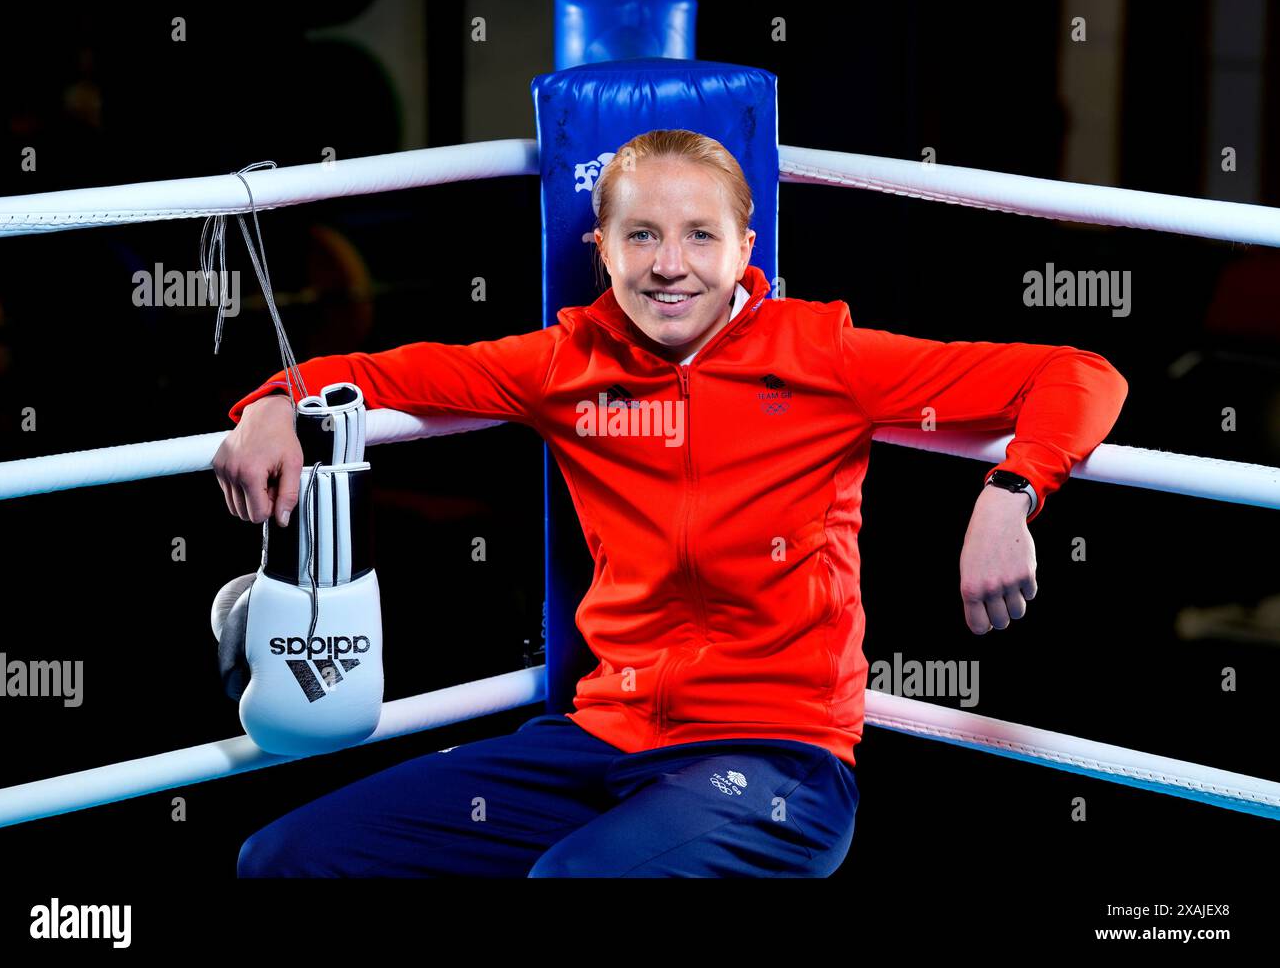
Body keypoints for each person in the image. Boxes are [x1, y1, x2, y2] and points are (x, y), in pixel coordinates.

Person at [215, 129, 1128, 877]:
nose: (669, 266)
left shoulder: (825, 353)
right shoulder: (564, 361)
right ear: (600, 248)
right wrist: (267, 404)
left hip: (780, 757)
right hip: (602, 736)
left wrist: (1010, 492)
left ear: (745, 249)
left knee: (577, 883)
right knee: (288, 857)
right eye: (641, 235)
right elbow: (378, 372)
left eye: (700, 235)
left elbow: (1078, 373)